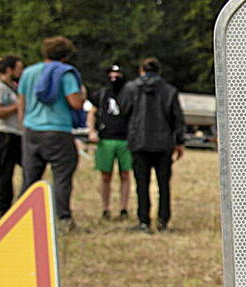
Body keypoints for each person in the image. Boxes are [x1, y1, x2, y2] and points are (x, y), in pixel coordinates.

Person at [19, 37, 86, 229]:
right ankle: (62, 218)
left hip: (32, 129)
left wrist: (24, 126)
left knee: (30, 177)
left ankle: (22, 218)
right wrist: (83, 94)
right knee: (62, 176)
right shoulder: (65, 74)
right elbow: (75, 102)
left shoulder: (28, 72)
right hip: (57, 130)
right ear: (66, 56)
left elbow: (21, 102)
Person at [119, 57, 185, 233]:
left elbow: (124, 111)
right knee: (164, 184)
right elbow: (176, 118)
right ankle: (163, 221)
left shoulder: (131, 88)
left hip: (139, 142)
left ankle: (143, 221)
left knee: (142, 184)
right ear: (159, 71)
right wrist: (179, 142)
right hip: (163, 143)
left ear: (142, 70)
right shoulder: (169, 90)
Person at [88, 64, 133, 221]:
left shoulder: (128, 94)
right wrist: (91, 131)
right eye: (111, 75)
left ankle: (123, 208)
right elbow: (92, 112)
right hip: (105, 138)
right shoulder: (102, 94)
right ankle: (105, 208)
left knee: (125, 174)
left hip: (125, 139)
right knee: (105, 176)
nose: (114, 79)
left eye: (117, 75)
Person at [0, 55, 26, 217]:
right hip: (4, 133)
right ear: (9, 69)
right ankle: (4, 208)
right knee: (6, 171)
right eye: (19, 68)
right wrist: (17, 106)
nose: (21, 71)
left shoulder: (11, 87)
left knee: (28, 168)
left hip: (16, 133)